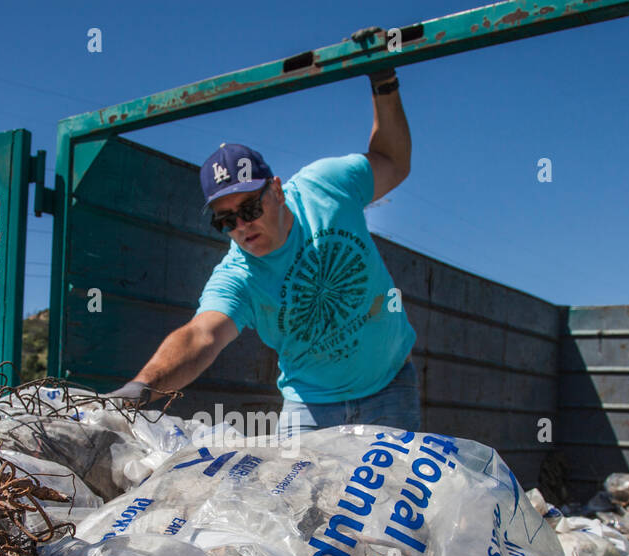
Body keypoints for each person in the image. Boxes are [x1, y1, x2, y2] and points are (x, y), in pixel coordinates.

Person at [108, 66, 419, 439]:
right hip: (310, 404)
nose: (241, 226)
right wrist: (141, 388)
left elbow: (393, 161)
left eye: (250, 209)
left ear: (277, 189)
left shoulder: (327, 186)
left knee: (390, 495)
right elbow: (201, 335)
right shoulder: (239, 276)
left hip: (390, 384)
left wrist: (383, 84)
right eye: (226, 220)